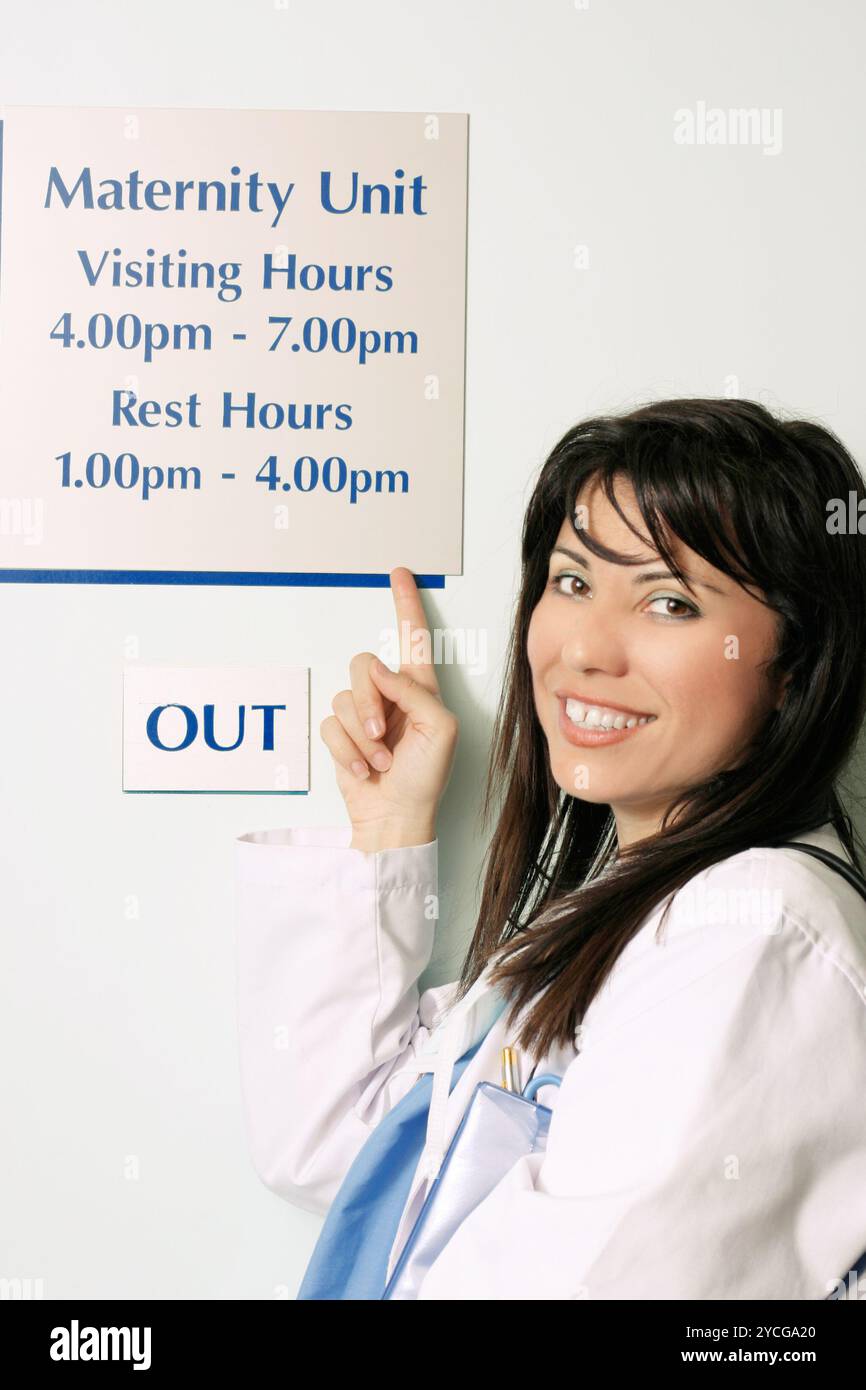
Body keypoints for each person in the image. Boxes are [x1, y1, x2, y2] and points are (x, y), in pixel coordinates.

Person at [234, 397, 866, 1299]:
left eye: (669, 601)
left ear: (796, 668)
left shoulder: (758, 935)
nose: (584, 649)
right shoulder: (619, 921)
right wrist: (388, 830)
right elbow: (351, 1153)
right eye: (572, 582)